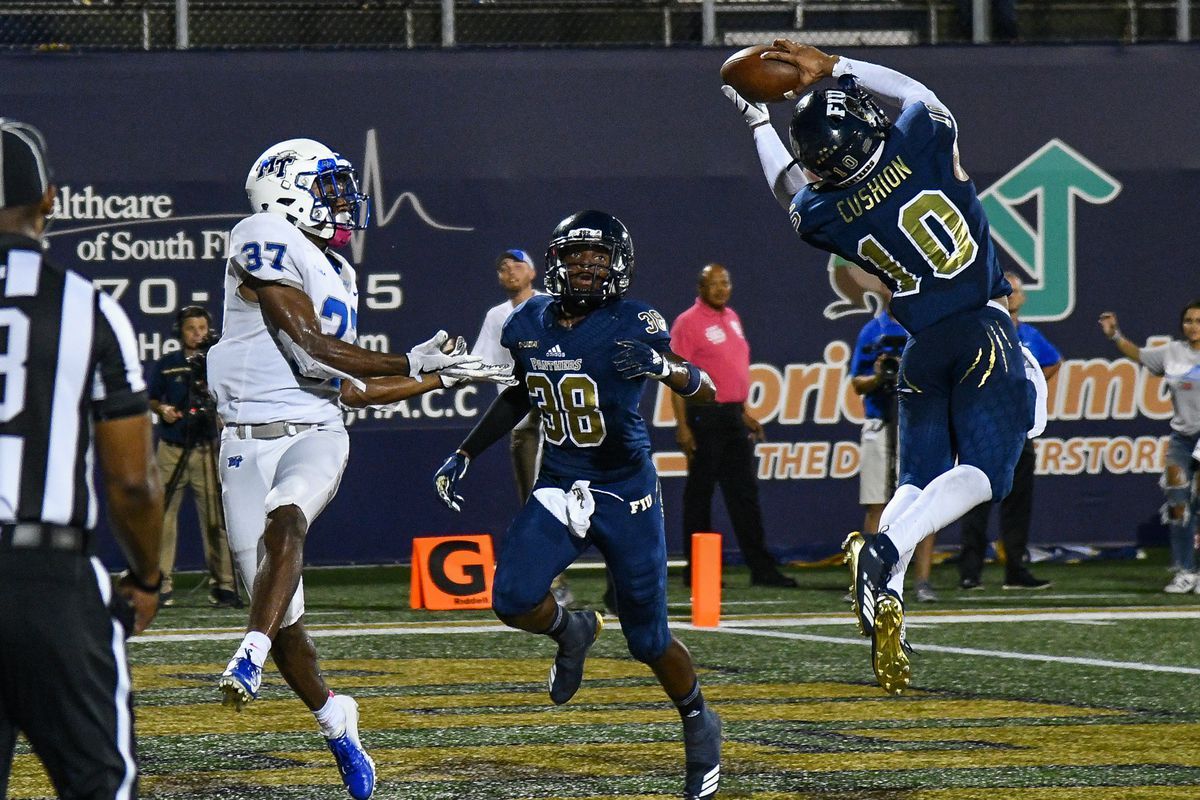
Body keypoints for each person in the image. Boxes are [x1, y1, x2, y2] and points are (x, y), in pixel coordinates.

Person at [724, 42, 1035, 694]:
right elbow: (921, 94)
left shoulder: (826, 212)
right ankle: (888, 552)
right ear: (862, 124)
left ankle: (882, 592)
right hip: (978, 324)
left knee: (918, 476)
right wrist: (837, 66)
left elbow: (790, 189)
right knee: (989, 470)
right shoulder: (917, 144)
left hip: (918, 347)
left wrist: (757, 122)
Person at [208, 137, 512, 800]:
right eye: (327, 186)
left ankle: (247, 653)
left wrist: (438, 376)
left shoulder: (340, 273)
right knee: (291, 630)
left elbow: (344, 390)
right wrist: (413, 362)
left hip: (316, 432)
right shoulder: (259, 233)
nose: (342, 201)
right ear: (284, 190)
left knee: (287, 516)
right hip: (240, 442)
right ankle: (334, 718)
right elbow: (315, 348)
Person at [433, 211, 723, 800]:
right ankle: (572, 631)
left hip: (627, 490)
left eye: (598, 259)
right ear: (558, 262)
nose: (586, 269)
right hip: (562, 481)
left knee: (648, 641)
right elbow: (519, 393)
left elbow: (704, 386)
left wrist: (662, 366)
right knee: (512, 598)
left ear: (619, 265)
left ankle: (698, 719)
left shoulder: (635, 319)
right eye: (575, 258)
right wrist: (466, 450)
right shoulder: (528, 321)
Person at [0, 119, 164, 798]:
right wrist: (147, 578)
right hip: (48, 577)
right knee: (99, 784)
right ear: (51, 200)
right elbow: (131, 481)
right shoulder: (87, 307)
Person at [671, 262, 797, 588]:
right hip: (704, 414)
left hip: (732, 415)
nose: (721, 289)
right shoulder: (687, 322)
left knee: (744, 495)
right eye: (713, 284)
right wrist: (683, 427)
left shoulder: (732, 317)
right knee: (701, 495)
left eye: (725, 283)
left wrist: (743, 414)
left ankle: (762, 569)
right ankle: (697, 571)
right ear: (701, 288)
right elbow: (675, 378)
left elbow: (731, 372)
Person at [470, 248, 576, 603]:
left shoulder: (552, 306)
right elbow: (483, 364)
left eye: (517, 265)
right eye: (503, 267)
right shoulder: (497, 316)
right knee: (534, 502)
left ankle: (565, 579)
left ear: (532, 272)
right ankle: (550, 579)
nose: (510, 272)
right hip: (524, 422)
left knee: (571, 498)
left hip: (559, 418)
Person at [960, 272, 1058, 591]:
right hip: (986, 428)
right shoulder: (984, 330)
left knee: (1018, 502)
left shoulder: (1029, 334)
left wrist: (1030, 388)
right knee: (976, 499)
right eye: (1005, 291)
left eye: (1014, 291)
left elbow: (1054, 362)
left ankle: (1015, 568)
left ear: (1023, 297)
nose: (1010, 296)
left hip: (1020, 429)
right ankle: (970, 571)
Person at [1100, 301, 1200, 594]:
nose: (1193, 326)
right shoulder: (1172, 352)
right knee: (1179, 506)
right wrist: (1115, 336)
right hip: (1182, 440)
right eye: (1188, 320)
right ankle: (1184, 571)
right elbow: (1141, 355)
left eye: (1198, 320)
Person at [148, 304, 240, 608]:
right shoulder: (167, 364)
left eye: (201, 328)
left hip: (205, 448)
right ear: (180, 332)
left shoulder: (216, 363)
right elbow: (150, 396)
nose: (197, 333)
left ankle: (224, 585)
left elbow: (230, 395)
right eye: (191, 328)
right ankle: (160, 583)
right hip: (171, 448)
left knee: (216, 518)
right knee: (162, 519)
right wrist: (162, 409)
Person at [849, 309, 938, 602]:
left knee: (923, 503)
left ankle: (922, 581)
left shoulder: (928, 325)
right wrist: (878, 376)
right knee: (876, 504)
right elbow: (857, 383)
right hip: (879, 420)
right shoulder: (871, 330)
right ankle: (868, 579)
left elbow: (940, 376)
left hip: (917, 423)